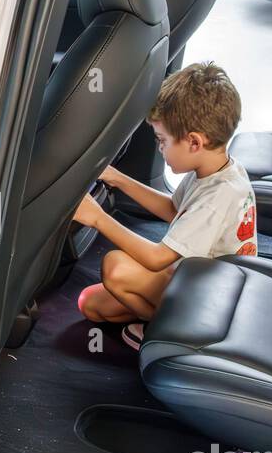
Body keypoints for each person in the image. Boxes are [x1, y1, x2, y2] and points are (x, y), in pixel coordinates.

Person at [70, 62, 258, 351]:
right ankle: (162, 316)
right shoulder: (215, 171)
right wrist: (118, 179)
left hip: (208, 299)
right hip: (193, 280)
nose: (160, 148)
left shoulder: (218, 198)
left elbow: (158, 258)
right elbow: (174, 209)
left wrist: (98, 219)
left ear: (194, 142)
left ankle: (172, 333)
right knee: (91, 305)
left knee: (116, 267)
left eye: (162, 141)